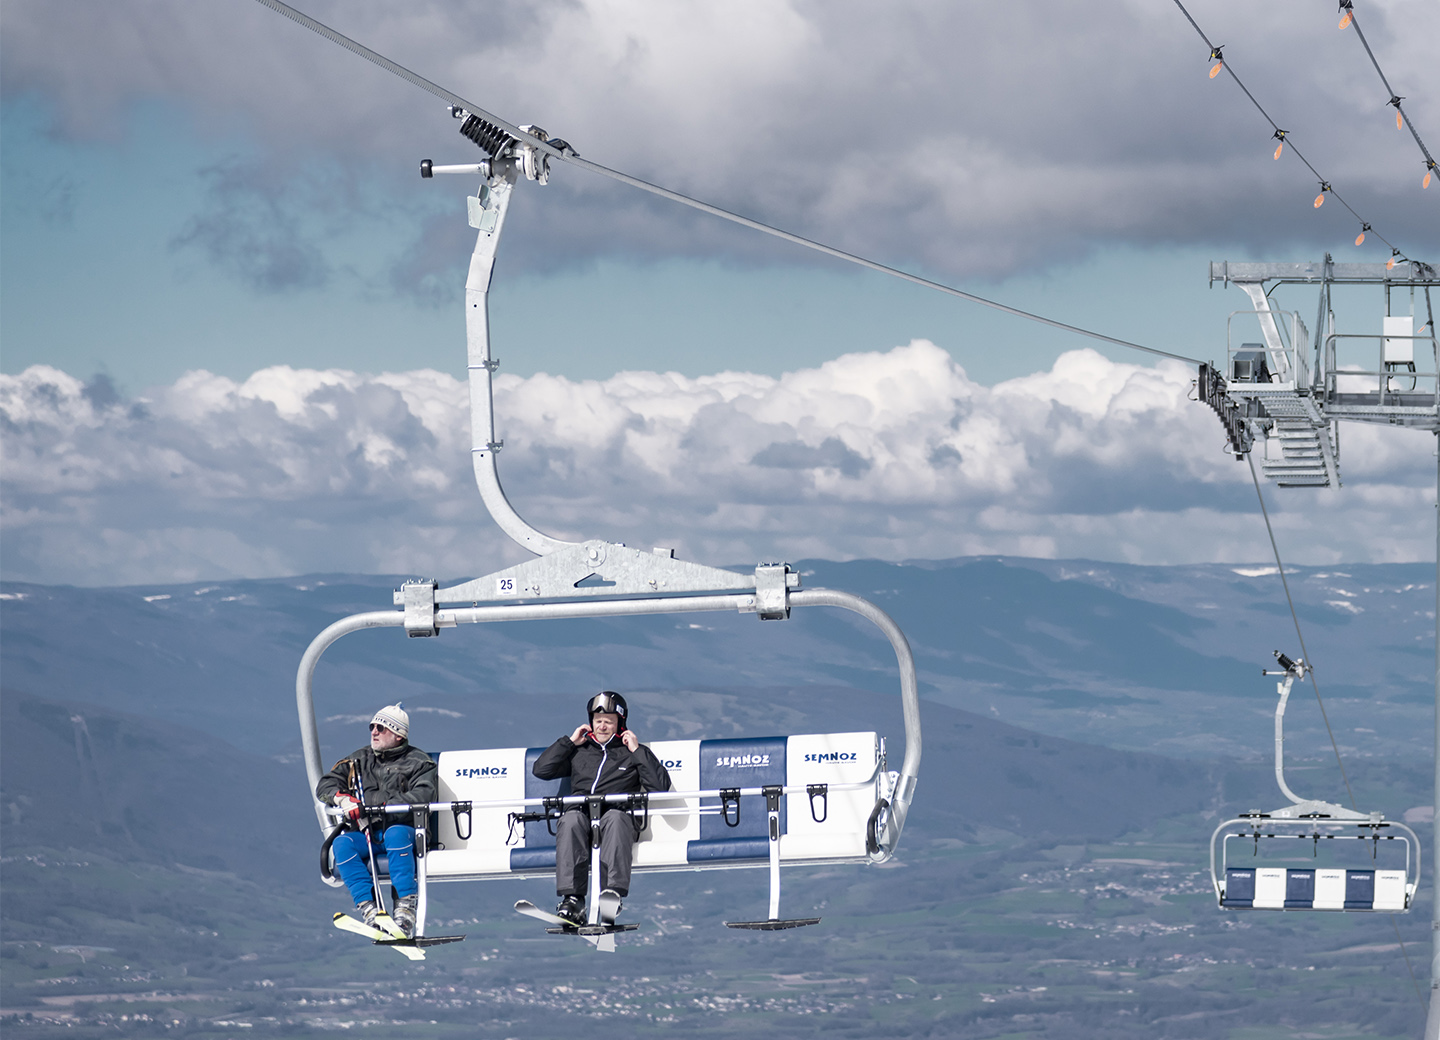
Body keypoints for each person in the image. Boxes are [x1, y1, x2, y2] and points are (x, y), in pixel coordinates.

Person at [532, 692, 671, 925]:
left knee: (615, 819)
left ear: (620, 724)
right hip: (582, 817)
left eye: (608, 721)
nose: (602, 726)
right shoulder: (579, 752)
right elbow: (541, 770)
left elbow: (659, 786)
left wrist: (637, 751)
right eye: (598, 721)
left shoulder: (632, 753)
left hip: (617, 817)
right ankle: (573, 899)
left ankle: (611, 895)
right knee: (570, 820)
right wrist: (569, 742)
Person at [316, 703, 436, 938]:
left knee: (395, 834)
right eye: (372, 726)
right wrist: (341, 799)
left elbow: (424, 794)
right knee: (342, 844)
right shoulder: (358, 761)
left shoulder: (419, 762)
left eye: (381, 728)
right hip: (367, 832)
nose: (374, 732)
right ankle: (369, 909)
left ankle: (405, 910)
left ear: (398, 735)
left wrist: (382, 808)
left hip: (407, 831)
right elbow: (326, 785)